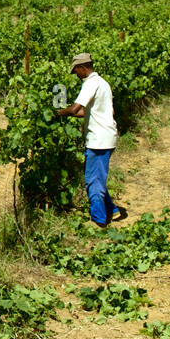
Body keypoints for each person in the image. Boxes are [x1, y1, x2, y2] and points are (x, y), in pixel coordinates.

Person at [55, 52, 125, 226]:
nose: (76, 75)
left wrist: (59, 112)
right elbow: (90, 112)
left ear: (83, 68)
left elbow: (74, 109)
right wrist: (69, 114)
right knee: (97, 177)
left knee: (92, 181)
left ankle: (99, 221)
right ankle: (113, 210)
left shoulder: (90, 83)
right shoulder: (103, 83)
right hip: (106, 137)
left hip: (99, 140)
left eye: (76, 71)